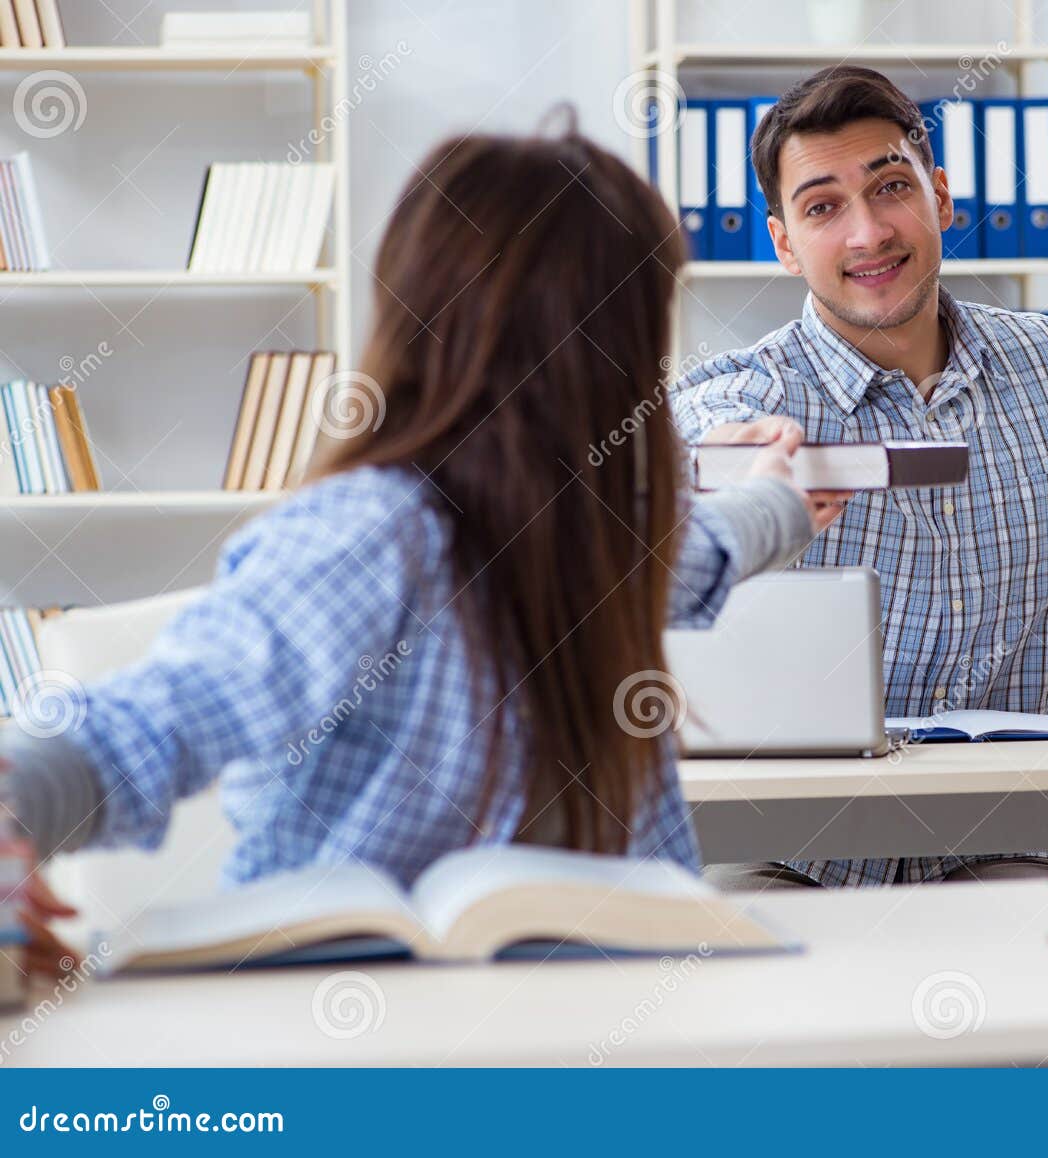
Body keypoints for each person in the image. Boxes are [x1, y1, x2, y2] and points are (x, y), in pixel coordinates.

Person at [0, 127, 823, 975]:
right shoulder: (377, 531)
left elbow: (699, 552)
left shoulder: (589, 530)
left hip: (593, 1019)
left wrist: (779, 500)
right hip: (345, 1035)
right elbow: (170, 711)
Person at [672, 67, 1048, 890]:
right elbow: (677, 471)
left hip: (1004, 838)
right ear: (783, 244)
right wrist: (720, 473)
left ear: (943, 197)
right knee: (740, 989)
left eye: (890, 188)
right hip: (791, 849)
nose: (867, 233)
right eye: (822, 208)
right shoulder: (741, 397)